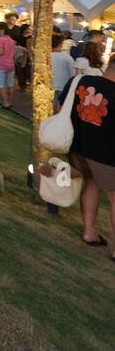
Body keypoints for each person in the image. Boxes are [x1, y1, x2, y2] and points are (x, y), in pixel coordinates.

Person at [69, 61, 115, 251]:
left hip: (78, 147)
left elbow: (62, 107)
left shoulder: (81, 80)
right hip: (107, 153)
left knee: (91, 182)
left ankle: (89, 232)